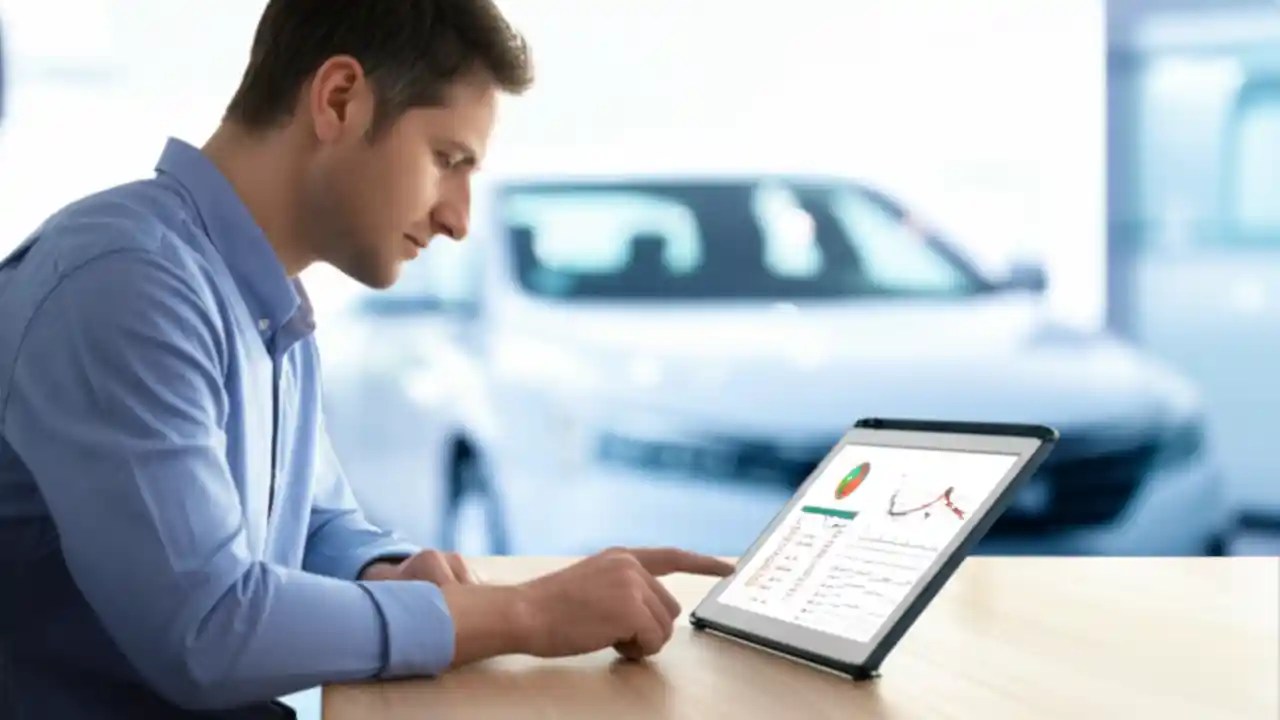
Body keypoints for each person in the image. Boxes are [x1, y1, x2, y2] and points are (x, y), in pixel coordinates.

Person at [0, 2, 735, 718]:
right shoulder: (126, 286)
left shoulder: (258, 297)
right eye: (446, 160)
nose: (458, 219)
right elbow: (209, 630)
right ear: (340, 99)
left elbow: (313, 525)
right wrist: (525, 613)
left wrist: (386, 571)